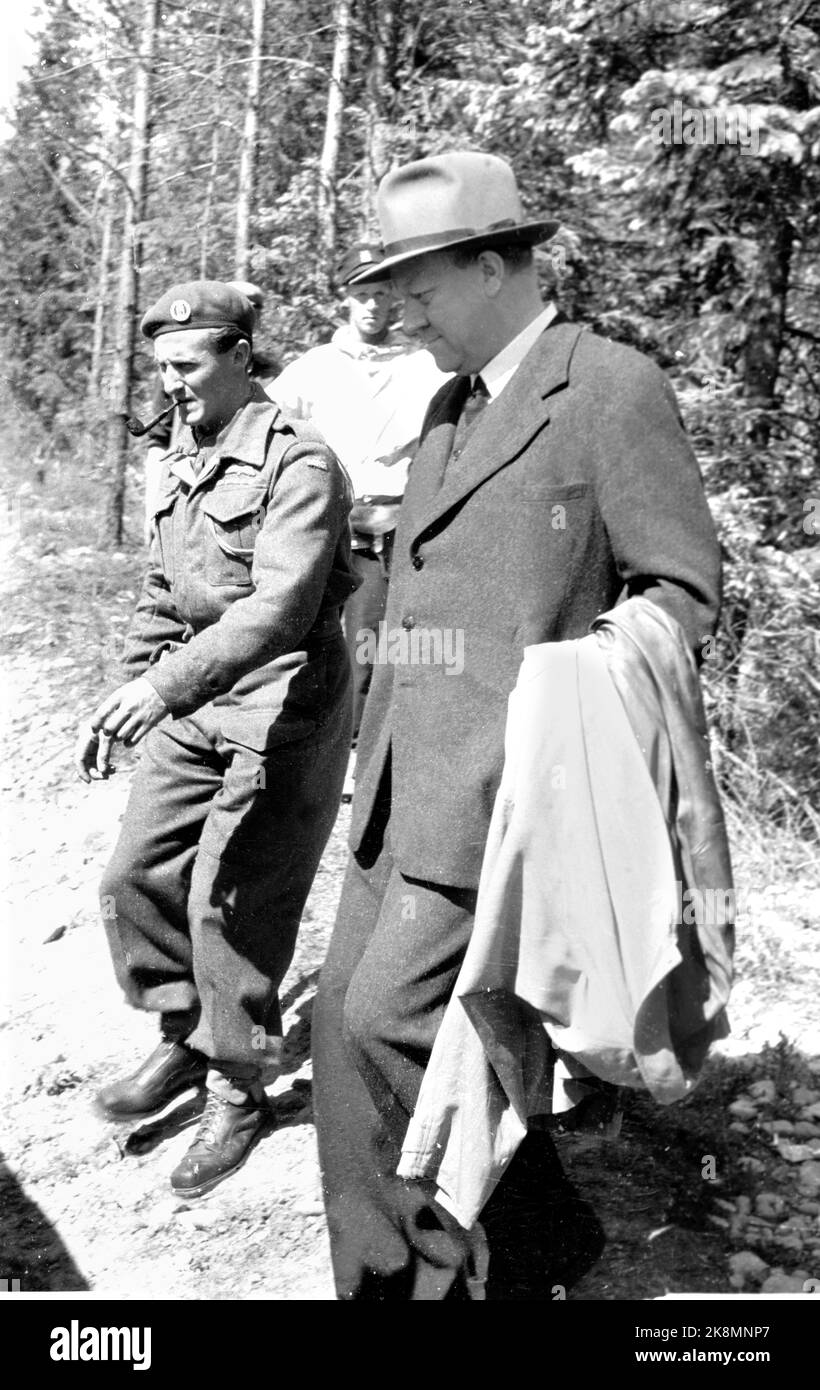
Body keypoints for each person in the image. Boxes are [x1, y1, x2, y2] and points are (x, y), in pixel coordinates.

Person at [311, 151, 724, 1299]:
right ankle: (378, 1279)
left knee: (392, 1023)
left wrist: (565, 697)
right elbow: (426, 588)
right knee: (343, 1054)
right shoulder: (449, 403)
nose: (396, 311)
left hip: (501, 800)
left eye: (418, 285)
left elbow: (681, 590)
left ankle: (526, 1243)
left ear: (495, 265)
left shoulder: (605, 387)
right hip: (394, 783)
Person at [75, 280, 358, 1199]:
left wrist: (163, 686)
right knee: (134, 880)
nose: (172, 384)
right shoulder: (177, 452)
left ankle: (239, 1089)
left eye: (187, 366)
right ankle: (182, 1036)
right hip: (192, 703)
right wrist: (129, 690)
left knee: (228, 905)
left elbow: (280, 611)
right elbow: (166, 590)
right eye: (159, 368)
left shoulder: (301, 463)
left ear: (240, 356)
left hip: (281, 708)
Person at [269, 244, 448, 791]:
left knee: (410, 639)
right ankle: (342, 753)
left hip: (407, 524)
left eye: (380, 295)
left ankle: (396, 749)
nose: (371, 306)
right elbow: (268, 425)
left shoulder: (423, 365)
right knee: (342, 641)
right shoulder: (316, 367)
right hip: (339, 526)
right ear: (346, 299)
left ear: (394, 300)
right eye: (361, 295)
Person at [142, 280, 279, 541]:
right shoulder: (175, 372)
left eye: (255, 308)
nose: (172, 384)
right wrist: (153, 504)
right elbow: (158, 441)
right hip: (185, 483)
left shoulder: (271, 373)